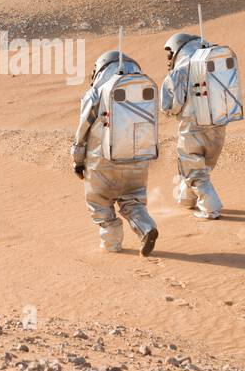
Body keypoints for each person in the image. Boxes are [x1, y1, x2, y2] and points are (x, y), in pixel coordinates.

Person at [72, 50, 160, 256]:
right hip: (137, 159)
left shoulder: (96, 92)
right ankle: (146, 228)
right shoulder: (143, 88)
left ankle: (111, 244)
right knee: (133, 200)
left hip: (101, 160)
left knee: (99, 203)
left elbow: (83, 128)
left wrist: (77, 160)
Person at [161, 32, 225, 220]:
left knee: (194, 170)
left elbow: (171, 105)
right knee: (199, 167)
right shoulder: (213, 62)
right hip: (218, 125)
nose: (169, 58)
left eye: (169, 53)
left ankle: (210, 209)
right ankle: (187, 199)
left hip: (192, 127)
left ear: (178, 49)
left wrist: (170, 110)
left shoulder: (180, 70)